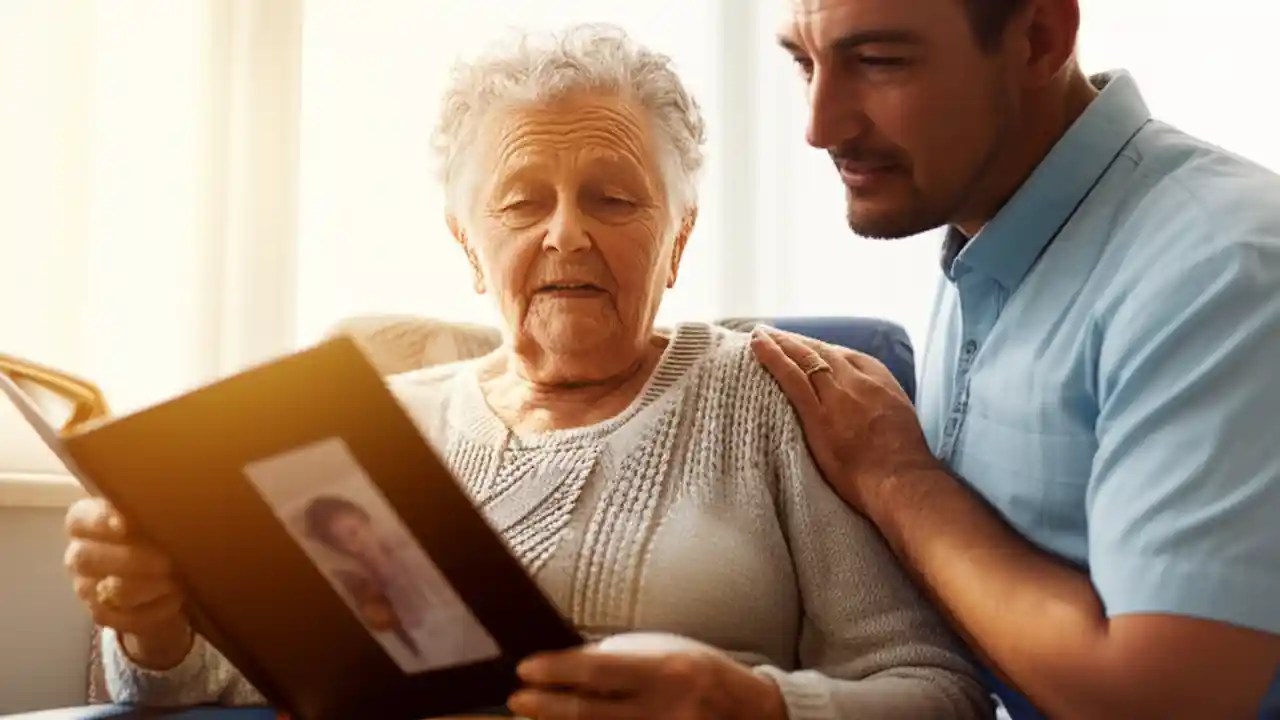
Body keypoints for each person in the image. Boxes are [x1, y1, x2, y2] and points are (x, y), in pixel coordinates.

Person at [62, 25, 991, 719]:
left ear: (678, 239)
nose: (566, 233)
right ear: (470, 244)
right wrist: (148, 622)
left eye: (615, 198)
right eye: (521, 203)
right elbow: (211, 678)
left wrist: (753, 705)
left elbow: (937, 693)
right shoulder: (374, 426)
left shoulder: (776, 396)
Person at [752, 0, 1280, 718]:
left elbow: (1163, 700)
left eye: (878, 62)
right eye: (805, 63)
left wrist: (895, 476)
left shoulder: (1221, 270)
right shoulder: (986, 226)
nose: (820, 127)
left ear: (1038, 38)